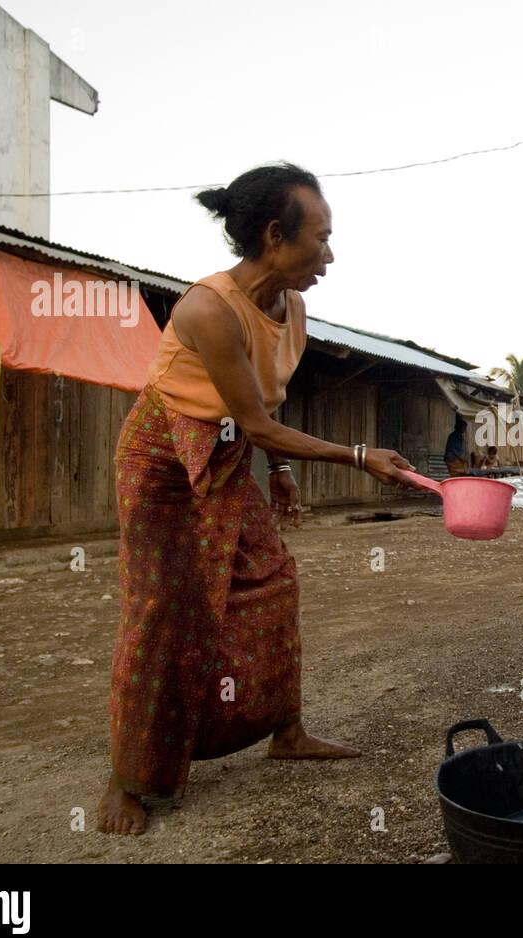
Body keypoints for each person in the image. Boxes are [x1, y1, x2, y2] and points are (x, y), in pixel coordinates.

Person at [97, 162, 414, 835]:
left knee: (275, 581)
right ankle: (129, 780)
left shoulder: (292, 308)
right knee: (163, 611)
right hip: (162, 459)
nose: (329, 255)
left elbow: (261, 406)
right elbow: (259, 416)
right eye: (320, 239)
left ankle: (285, 730)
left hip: (233, 451)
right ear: (276, 235)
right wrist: (356, 456)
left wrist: (277, 471)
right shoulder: (206, 308)